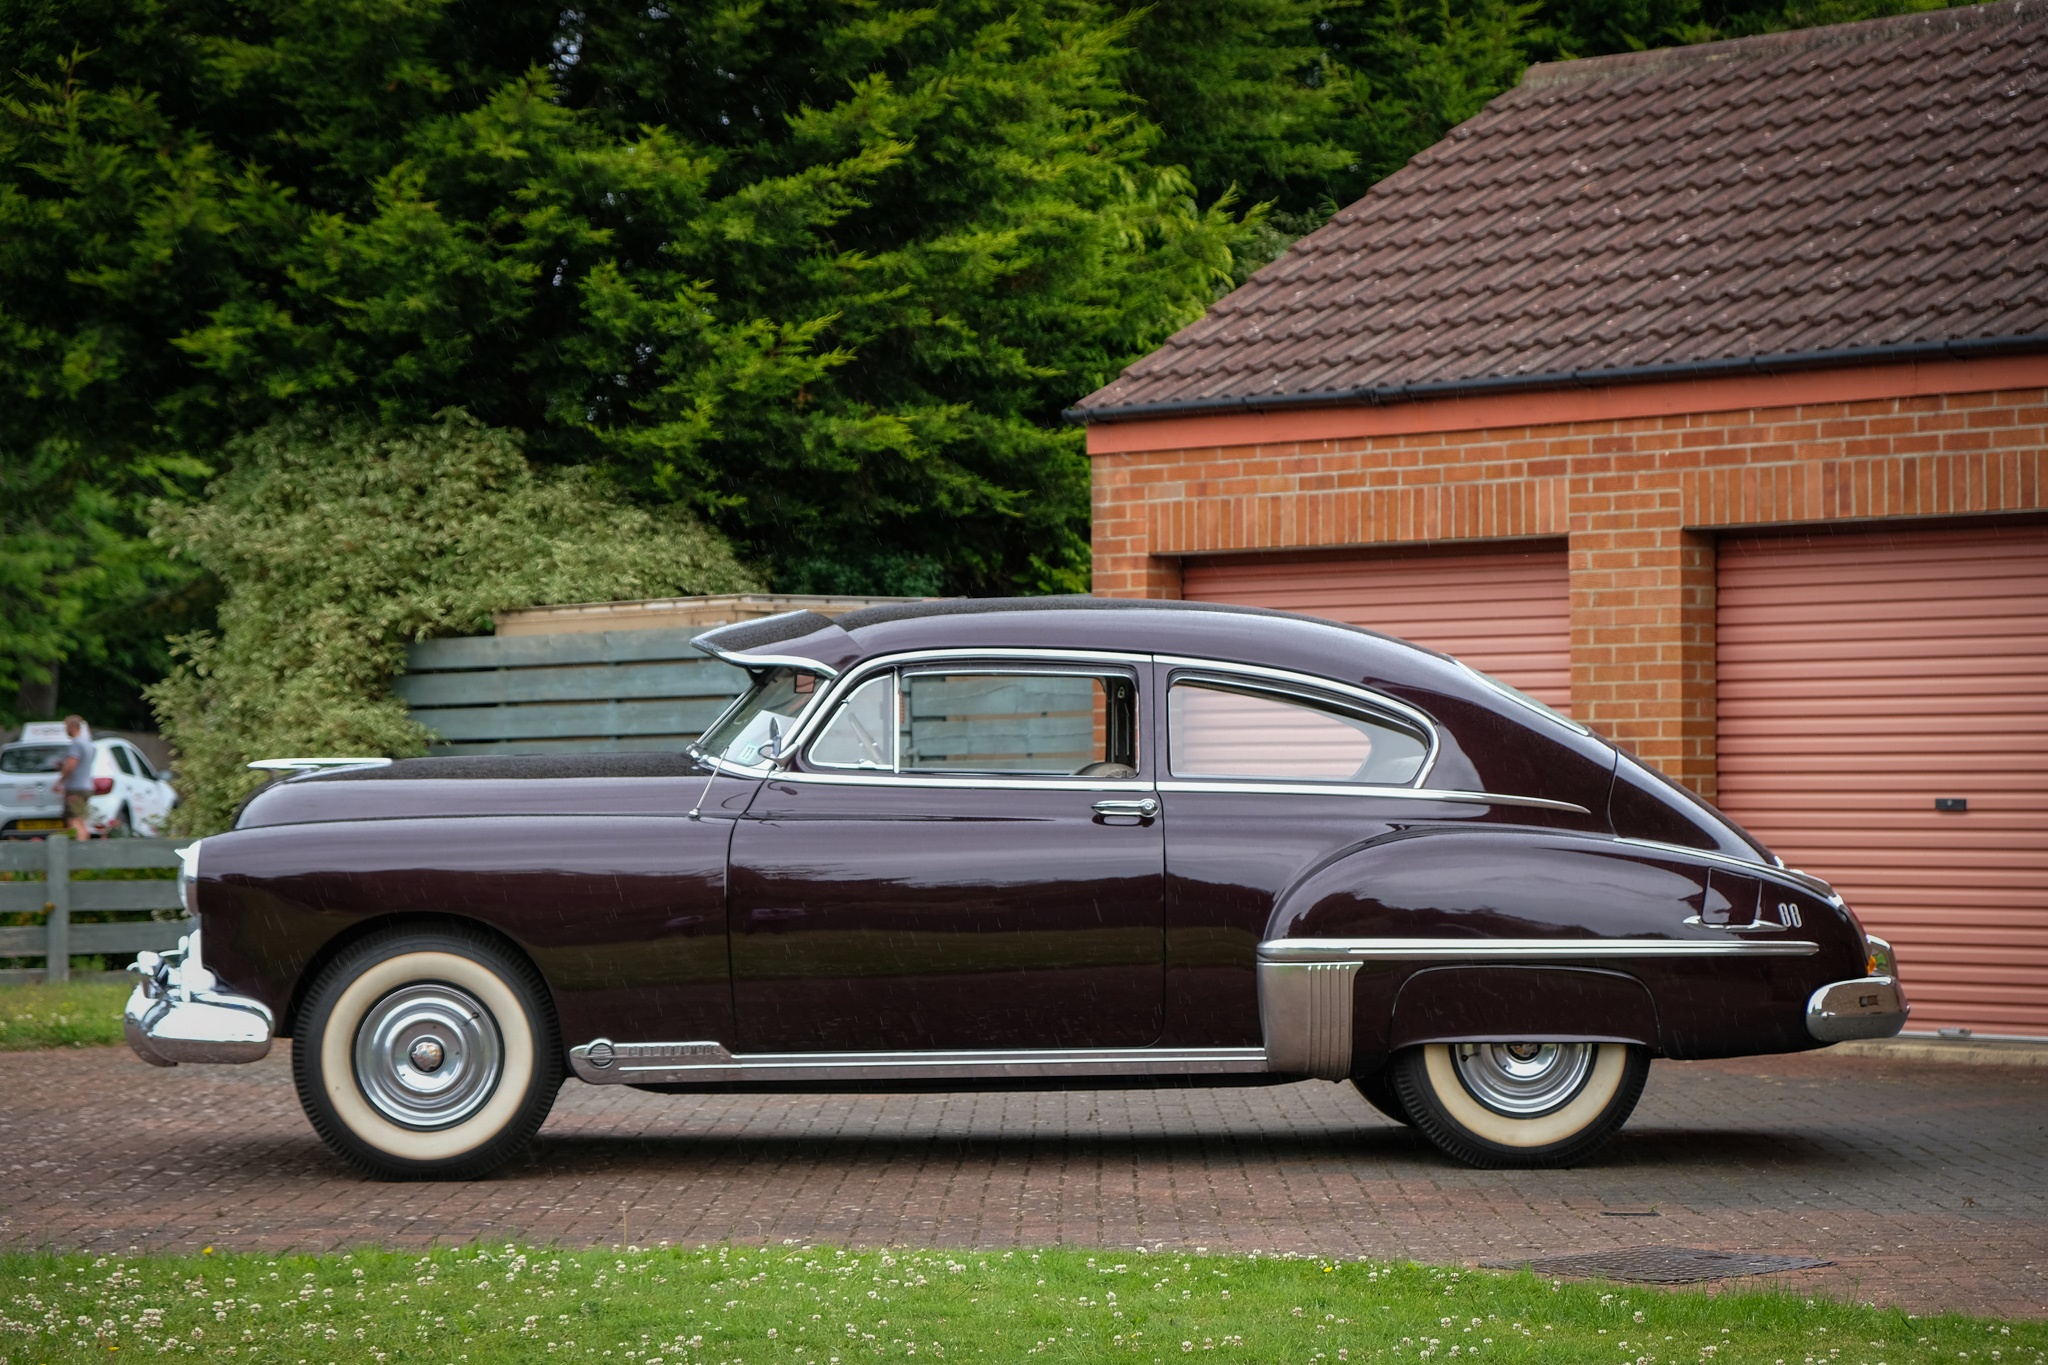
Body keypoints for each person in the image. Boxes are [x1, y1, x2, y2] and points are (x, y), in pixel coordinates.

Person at [50, 715, 97, 840]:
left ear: (72, 727)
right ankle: (85, 850)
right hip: (87, 787)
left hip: (75, 788)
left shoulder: (76, 743)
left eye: (66, 726)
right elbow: (81, 764)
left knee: (74, 822)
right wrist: (63, 765)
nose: (65, 730)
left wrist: (59, 782)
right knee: (82, 821)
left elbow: (71, 765)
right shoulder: (88, 744)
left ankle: (79, 852)